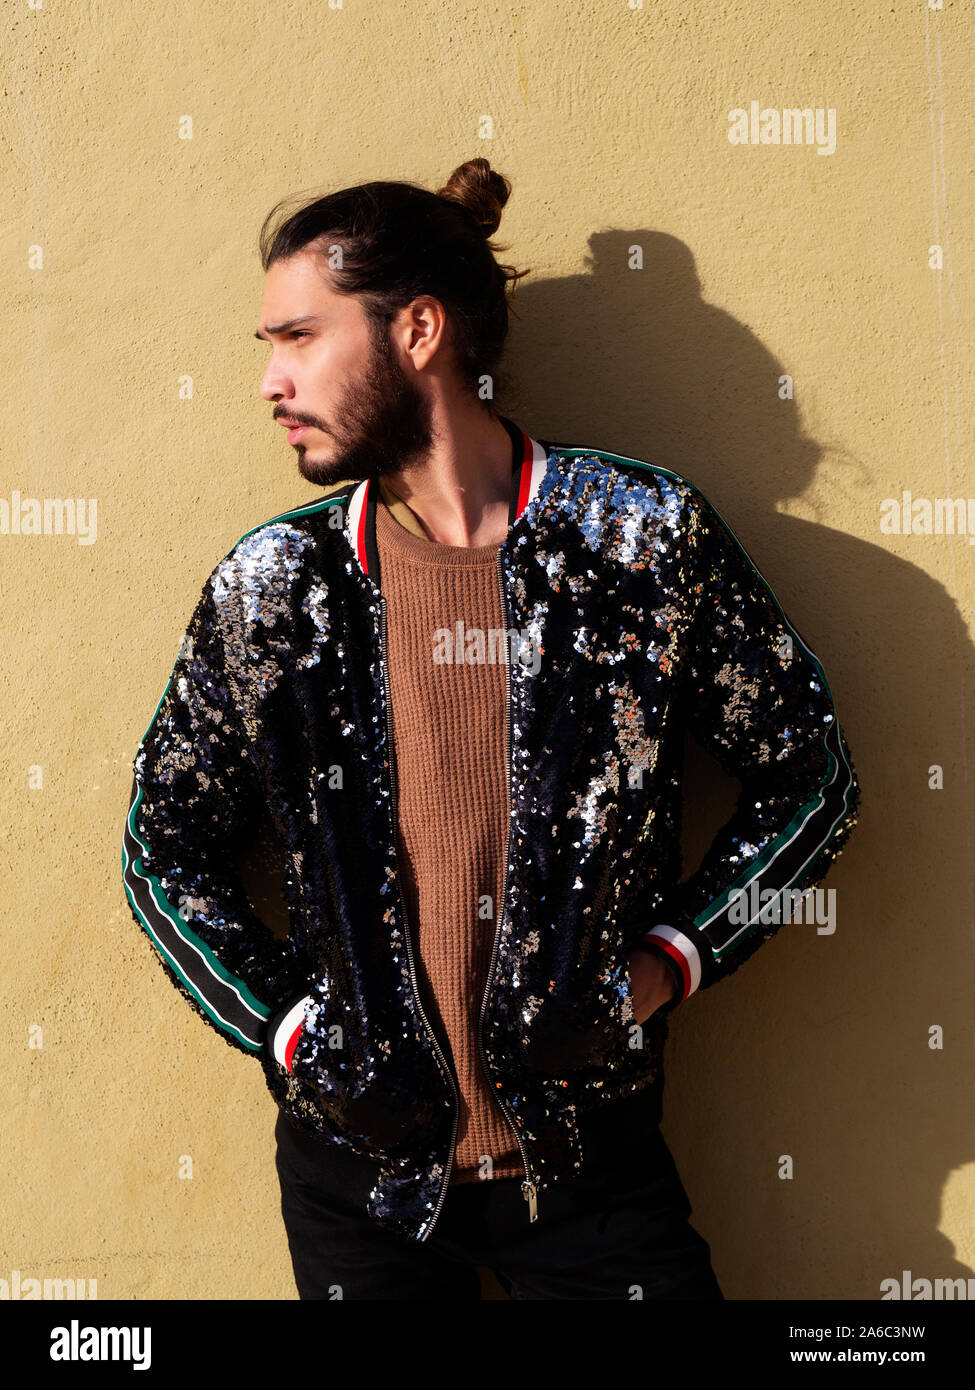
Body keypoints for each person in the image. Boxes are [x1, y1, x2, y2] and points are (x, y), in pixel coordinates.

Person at [122, 158, 861, 1300]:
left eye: (298, 338)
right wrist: (293, 1035)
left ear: (416, 329)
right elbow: (163, 851)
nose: (271, 380)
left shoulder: (638, 544)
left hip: (590, 1179)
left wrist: (667, 965)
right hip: (359, 1188)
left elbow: (809, 775)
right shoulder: (274, 589)